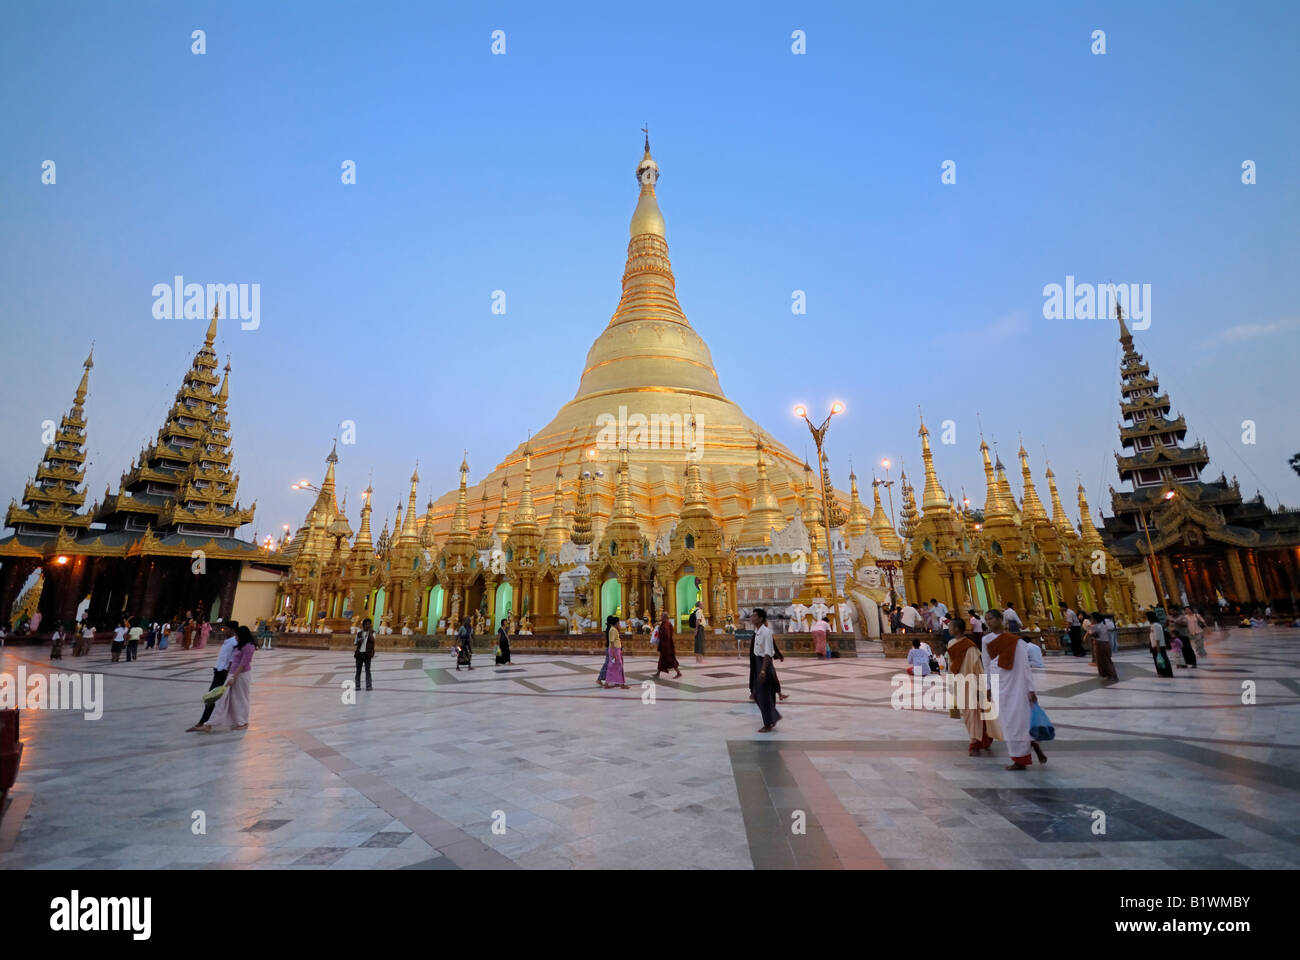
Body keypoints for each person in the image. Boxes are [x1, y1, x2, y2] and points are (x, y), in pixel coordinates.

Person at [981, 610, 1046, 770]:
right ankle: (1030, 744)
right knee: (1007, 721)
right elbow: (987, 664)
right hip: (999, 684)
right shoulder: (986, 640)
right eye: (986, 619)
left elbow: (1025, 666)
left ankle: (1020, 759)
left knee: (1019, 719)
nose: (988, 622)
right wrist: (988, 686)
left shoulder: (1017, 641)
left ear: (1000, 619)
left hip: (1017, 684)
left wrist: (1031, 688)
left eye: (991, 619)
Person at [946, 618, 1000, 754]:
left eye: (951, 626)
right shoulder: (951, 643)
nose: (949, 629)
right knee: (966, 713)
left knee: (973, 713)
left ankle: (974, 743)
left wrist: (981, 687)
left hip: (970, 682)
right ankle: (981, 737)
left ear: (958, 629)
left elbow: (978, 667)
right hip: (958, 681)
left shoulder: (970, 646)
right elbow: (951, 664)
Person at [197, 625, 256, 732]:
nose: (235, 637)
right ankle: (211, 723)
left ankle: (243, 722)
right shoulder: (240, 645)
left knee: (240, 698)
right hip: (233, 674)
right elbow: (233, 660)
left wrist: (234, 677)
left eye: (237, 635)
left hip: (241, 675)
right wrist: (229, 673)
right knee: (224, 699)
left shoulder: (249, 646)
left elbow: (243, 663)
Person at [188, 621, 240, 731]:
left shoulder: (233, 644)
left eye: (226, 629)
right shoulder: (228, 642)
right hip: (218, 672)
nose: (224, 631)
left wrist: (228, 676)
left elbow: (232, 662)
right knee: (215, 699)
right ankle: (208, 723)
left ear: (232, 630)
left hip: (223, 674)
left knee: (211, 698)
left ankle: (203, 722)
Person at [752, 608, 782, 732]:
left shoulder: (766, 632)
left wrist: (763, 670)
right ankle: (772, 717)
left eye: (754, 616)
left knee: (763, 695)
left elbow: (768, 653)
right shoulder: (757, 631)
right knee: (758, 694)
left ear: (760, 619)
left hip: (764, 664)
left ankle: (768, 723)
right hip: (758, 663)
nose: (752, 618)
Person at [1087, 611, 1118, 681]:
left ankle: (1110, 674)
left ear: (1094, 619)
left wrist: (1089, 631)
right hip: (1106, 643)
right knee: (1107, 660)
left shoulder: (1095, 626)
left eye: (1091, 619)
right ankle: (1111, 674)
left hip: (1099, 644)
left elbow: (1095, 635)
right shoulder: (1103, 625)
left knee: (1102, 660)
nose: (1091, 620)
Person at [602, 615, 628, 689]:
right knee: (617, 666)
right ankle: (620, 684)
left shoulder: (614, 629)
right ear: (616, 623)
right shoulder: (613, 630)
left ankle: (616, 682)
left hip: (616, 649)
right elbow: (612, 642)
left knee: (615, 666)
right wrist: (613, 654)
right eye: (618, 623)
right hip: (614, 650)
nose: (619, 624)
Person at [1147, 610, 1174, 677]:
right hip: (1157, 645)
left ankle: (1165, 672)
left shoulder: (1155, 625)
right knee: (1161, 659)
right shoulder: (1155, 625)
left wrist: (1158, 650)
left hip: (1158, 646)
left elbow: (1157, 638)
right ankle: (1163, 672)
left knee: (1161, 659)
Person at [655, 611, 681, 678]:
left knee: (671, 660)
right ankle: (658, 673)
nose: (661, 617)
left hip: (667, 646)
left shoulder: (666, 624)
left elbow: (666, 634)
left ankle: (678, 672)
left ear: (664, 617)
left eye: (662, 616)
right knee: (661, 660)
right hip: (665, 645)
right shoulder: (666, 623)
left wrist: (659, 630)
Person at [354, 617, 376, 689]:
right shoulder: (359, 633)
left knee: (368, 670)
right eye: (366, 624)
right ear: (363, 625)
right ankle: (357, 686)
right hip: (359, 654)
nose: (368, 626)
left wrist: (369, 632)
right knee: (358, 671)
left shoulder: (373, 632)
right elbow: (355, 643)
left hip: (367, 654)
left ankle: (368, 686)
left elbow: (373, 640)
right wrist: (359, 641)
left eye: (369, 624)